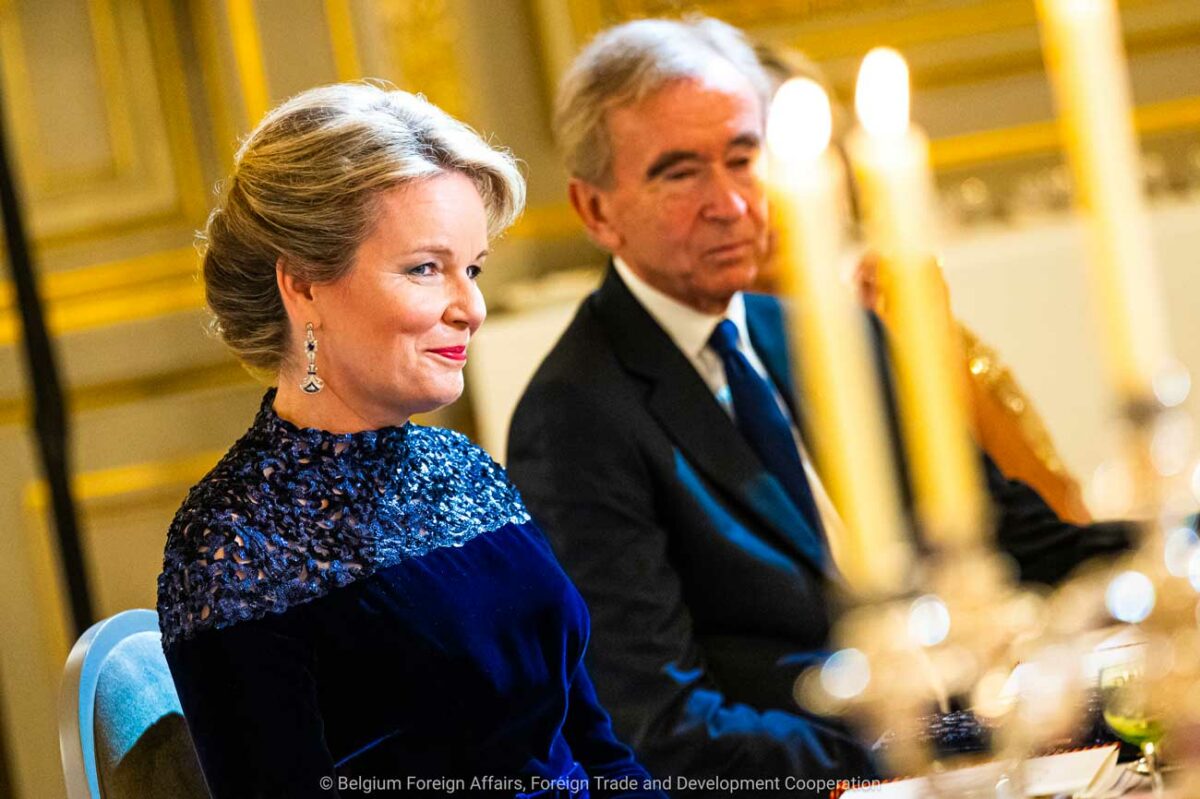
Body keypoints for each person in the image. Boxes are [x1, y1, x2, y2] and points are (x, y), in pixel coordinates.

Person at [505, 16, 1134, 791]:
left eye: (744, 157)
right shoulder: (574, 415)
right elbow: (663, 723)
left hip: (991, 732)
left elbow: (1013, 536)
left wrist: (1175, 556)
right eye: (679, 173)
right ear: (596, 209)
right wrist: (936, 746)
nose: (732, 203)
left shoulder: (832, 336)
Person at [156, 83, 668, 799]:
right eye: (427, 268)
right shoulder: (235, 542)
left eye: (474, 268)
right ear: (303, 286)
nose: (472, 308)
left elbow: (597, 750)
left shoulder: (463, 469)